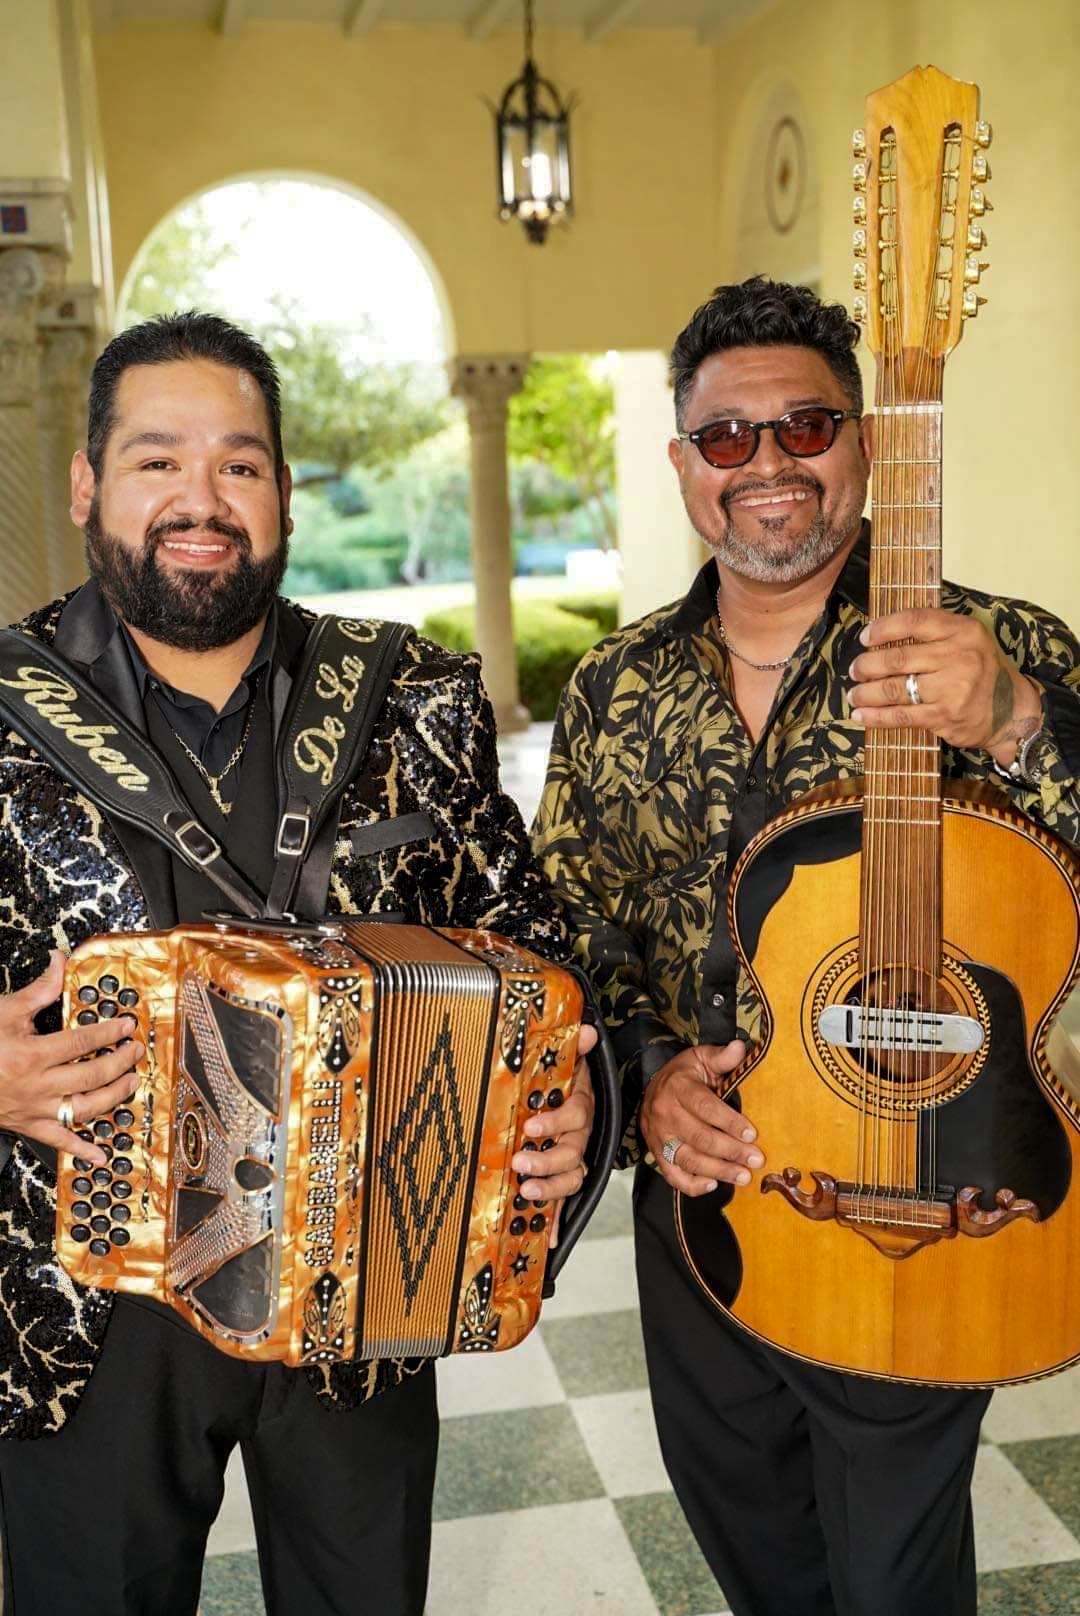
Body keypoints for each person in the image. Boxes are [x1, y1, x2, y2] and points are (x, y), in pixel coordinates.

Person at [0, 311, 595, 1616]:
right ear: (89, 483)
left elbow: (534, 953)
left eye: (241, 464)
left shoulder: (417, 700)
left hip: (365, 1290)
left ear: (281, 493)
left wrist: (566, 1096)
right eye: (158, 460)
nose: (200, 500)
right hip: (90, 1308)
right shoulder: (4, 709)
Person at [533, 276, 1080, 1616]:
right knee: (757, 1557)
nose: (767, 463)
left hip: (922, 1198)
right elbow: (568, 934)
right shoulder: (615, 690)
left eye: (806, 427)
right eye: (726, 438)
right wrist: (651, 1079)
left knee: (895, 1580)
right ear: (682, 466)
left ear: (867, 443)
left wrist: (1014, 719)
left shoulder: (997, 646)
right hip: (703, 1211)